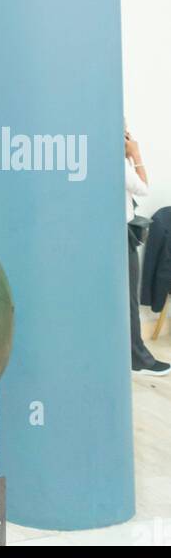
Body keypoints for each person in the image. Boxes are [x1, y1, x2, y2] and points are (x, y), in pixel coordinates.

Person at [125, 128, 169, 375]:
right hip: (119, 236)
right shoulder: (116, 162)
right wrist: (136, 154)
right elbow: (142, 188)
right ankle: (138, 357)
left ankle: (135, 355)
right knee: (128, 299)